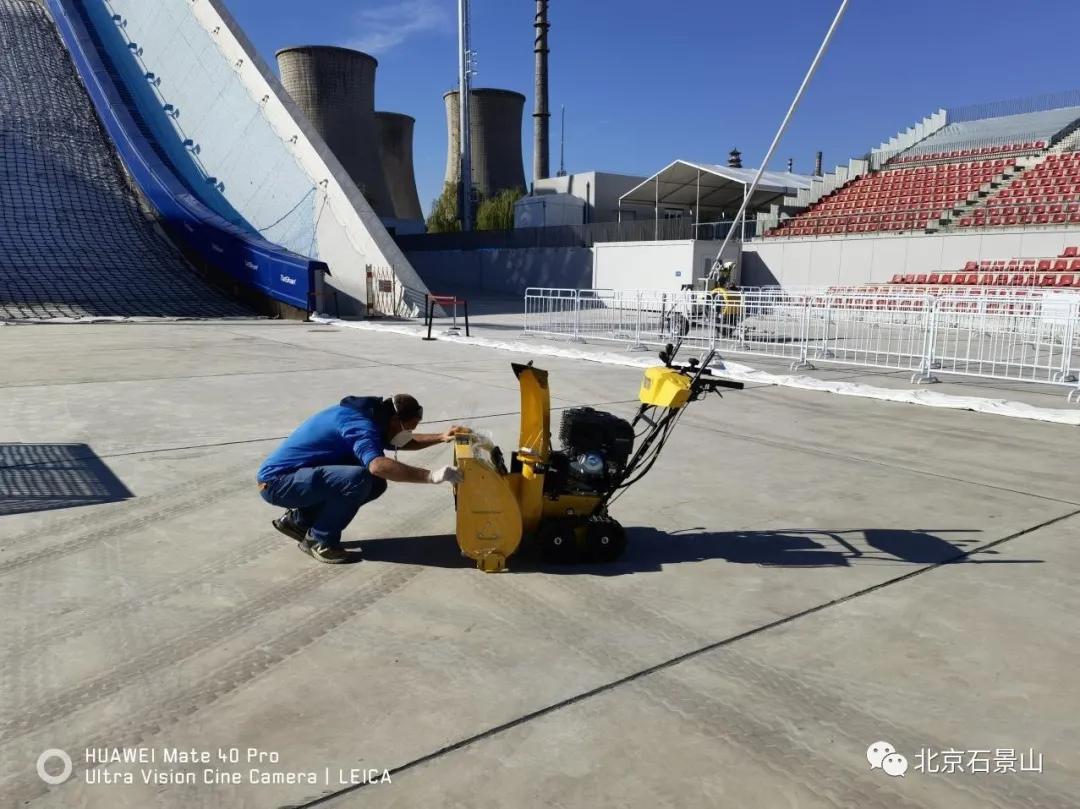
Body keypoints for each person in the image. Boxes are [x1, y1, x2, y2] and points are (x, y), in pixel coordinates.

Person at [257, 393, 464, 563]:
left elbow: (400, 441)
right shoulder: (360, 425)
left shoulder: (374, 417)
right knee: (359, 479)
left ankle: (299, 522)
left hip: (294, 478)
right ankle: (319, 540)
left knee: (375, 484)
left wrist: (441, 437)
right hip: (276, 483)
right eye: (408, 428)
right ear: (395, 420)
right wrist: (431, 476)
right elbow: (378, 466)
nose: (409, 433)